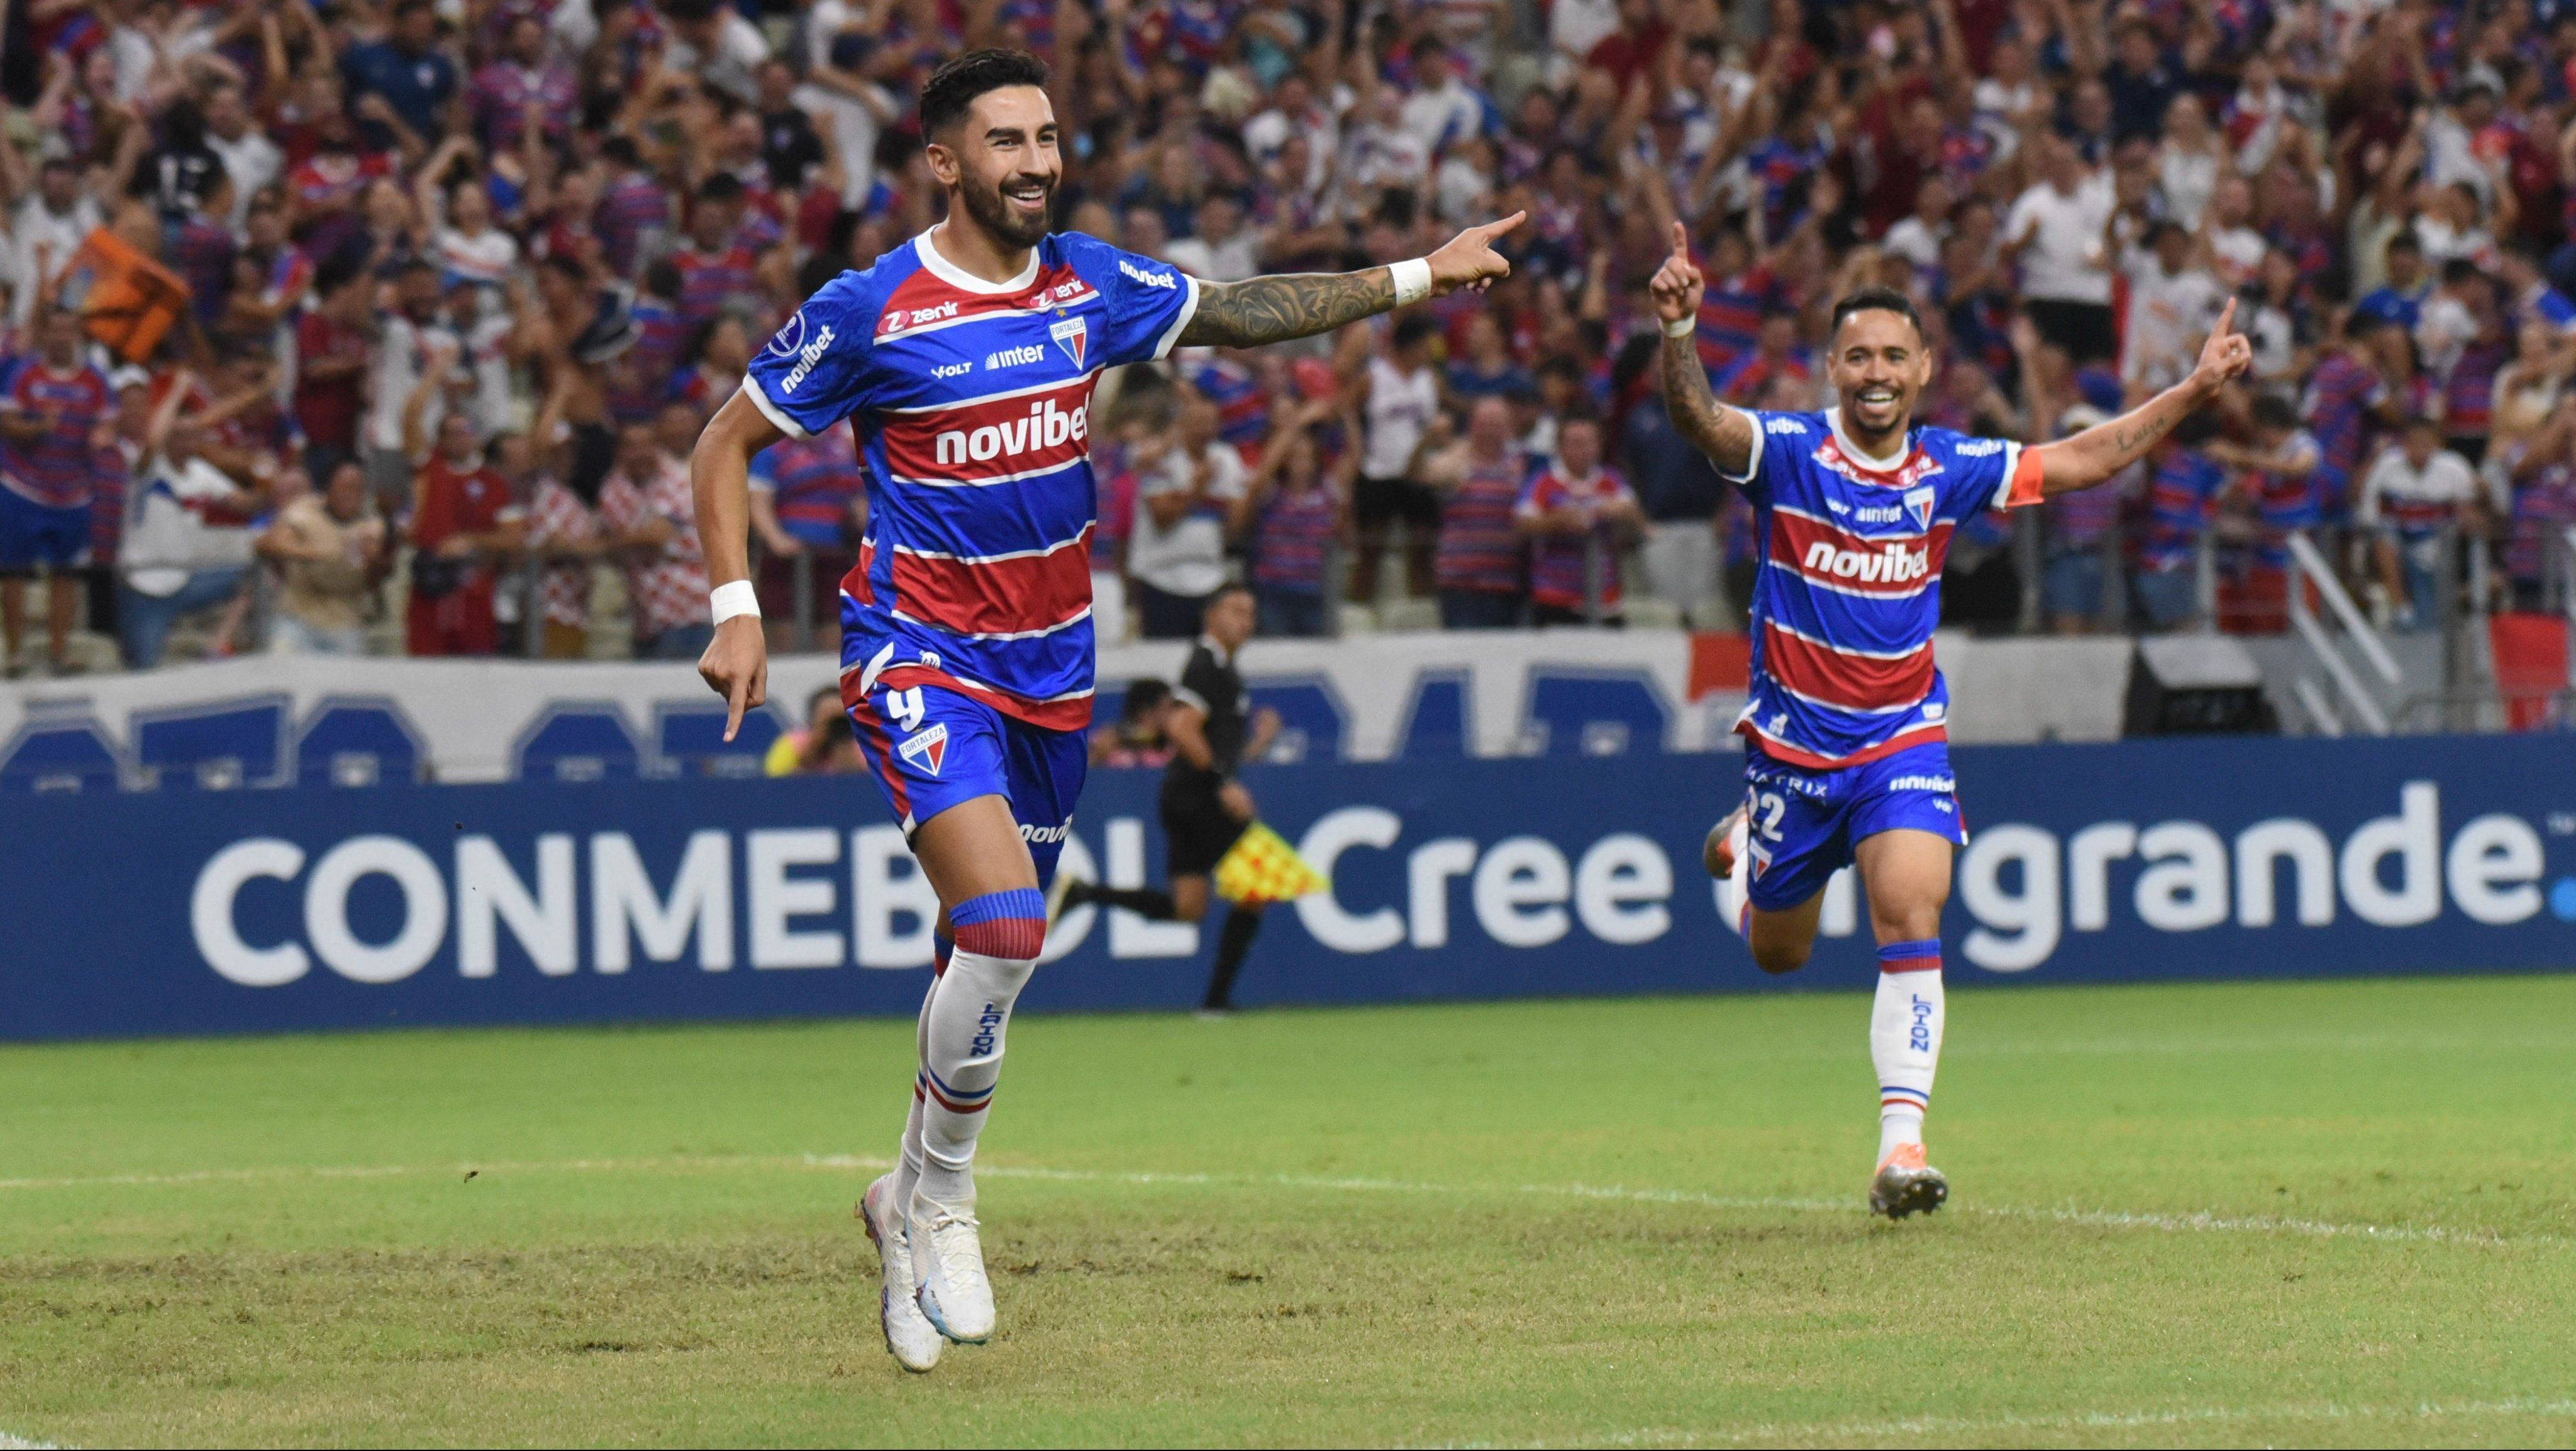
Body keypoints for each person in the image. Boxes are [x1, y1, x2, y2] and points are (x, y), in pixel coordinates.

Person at [686, 48, 1519, 1374]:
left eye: (1047, 137)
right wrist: (736, 602)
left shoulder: (1092, 280)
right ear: (945, 163)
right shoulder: (871, 309)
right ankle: (944, 1193)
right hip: (917, 651)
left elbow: (1244, 311)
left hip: (1054, 670)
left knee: (982, 952)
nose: (1036, 161)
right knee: (1008, 923)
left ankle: (892, 1195)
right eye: (1005, 141)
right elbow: (721, 441)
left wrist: (1421, 270)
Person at [1646, 224, 2251, 1219]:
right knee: (1778, 951)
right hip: (1795, 751)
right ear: (1831, 368)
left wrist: (2189, 392)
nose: (1876, 373)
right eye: (1858, 356)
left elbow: (2081, 460)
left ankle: (1901, 1147)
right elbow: (1703, 420)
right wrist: (1680, 330)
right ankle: (1748, 839)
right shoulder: (1790, 453)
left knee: (1911, 910)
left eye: (1894, 356)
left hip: (1900, 739)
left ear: (1925, 369)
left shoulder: (1951, 466)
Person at [1057, 584, 1282, 1013]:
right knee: (1259, 884)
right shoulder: (1206, 665)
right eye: (1236, 610)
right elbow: (1181, 728)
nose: (1246, 621)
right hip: (1199, 797)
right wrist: (1223, 783)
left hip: (1182, 796)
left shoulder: (1223, 669)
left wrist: (1253, 748)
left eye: (1251, 613)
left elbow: (1201, 736)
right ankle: (1217, 1002)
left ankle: (1087, 893)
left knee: (1188, 907)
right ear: (1211, 616)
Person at [0, 307, 114, 676]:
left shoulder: (95, 380)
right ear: (45, 334)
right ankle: (14, 653)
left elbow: (106, 425)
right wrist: (36, 429)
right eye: (55, 330)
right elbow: (7, 423)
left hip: (73, 494)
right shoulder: (23, 373)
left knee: (66, 575)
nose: (62, 338)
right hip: (24, 489)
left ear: (78, 335)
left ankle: (59, 653)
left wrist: (101, 438)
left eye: (68, 331)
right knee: (14, 572)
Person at [1514, 415, 1641, 625]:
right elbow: (1522, 522)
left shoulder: (1611, 480)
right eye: (1575, 443)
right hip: (1554, 597)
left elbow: (1635, 516)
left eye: (1589, 443)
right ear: (1560, 447)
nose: (1583, 450)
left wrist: (1617, 511)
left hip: (1604, 597)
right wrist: (1558, 520)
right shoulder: (1544, 481)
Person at [257, 460, 390, 655]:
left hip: (345, 624)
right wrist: (316, 554)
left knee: (349, 676)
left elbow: (376, 573)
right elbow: (269, 544)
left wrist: (375, 562)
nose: (348, 495)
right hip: (298, 617)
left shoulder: (372, 527)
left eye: (356, 489)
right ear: (328, 489)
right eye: (343, 487)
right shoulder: (304, 511)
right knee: (281, 660)